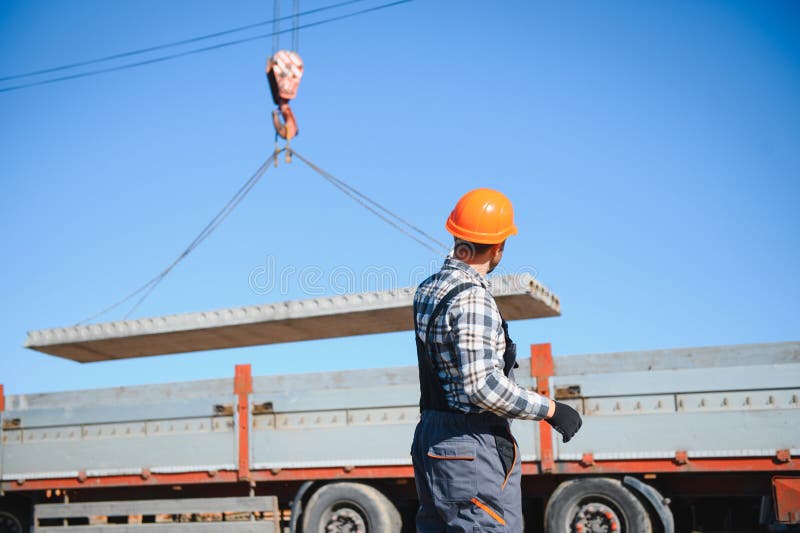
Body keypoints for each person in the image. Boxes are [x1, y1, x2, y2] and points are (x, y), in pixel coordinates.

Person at [411, 188, 582, 532]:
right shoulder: (473, 299)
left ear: (457, 233)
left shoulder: (427, 289)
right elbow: (482, 387)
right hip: (470, 444)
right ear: (499, 245)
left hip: (431, 435)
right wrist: (551, 410)